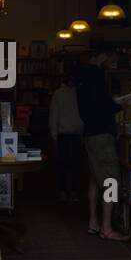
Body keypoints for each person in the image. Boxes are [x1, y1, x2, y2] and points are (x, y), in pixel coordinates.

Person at [76, 52, 129, 241]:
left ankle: (93, 222)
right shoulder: (97, 75)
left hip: (89, 133)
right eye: (110, 58)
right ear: (102, 56)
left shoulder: (81, 76)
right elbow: (103, 105)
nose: (111, 63)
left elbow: (89, 106)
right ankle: (106, 227)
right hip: (102, 134)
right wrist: (119, 105)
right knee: (111, 180)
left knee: (94, 178)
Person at [48, 65, 83, 203]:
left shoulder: (64, 93)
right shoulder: (66, 93)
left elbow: (53, 115)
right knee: (69, 164)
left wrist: (54, 134)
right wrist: (54, 134)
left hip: (68, 133)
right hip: (68, 133)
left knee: (68, 164)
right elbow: (54, 115)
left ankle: (67, 192)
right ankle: (68, 191)